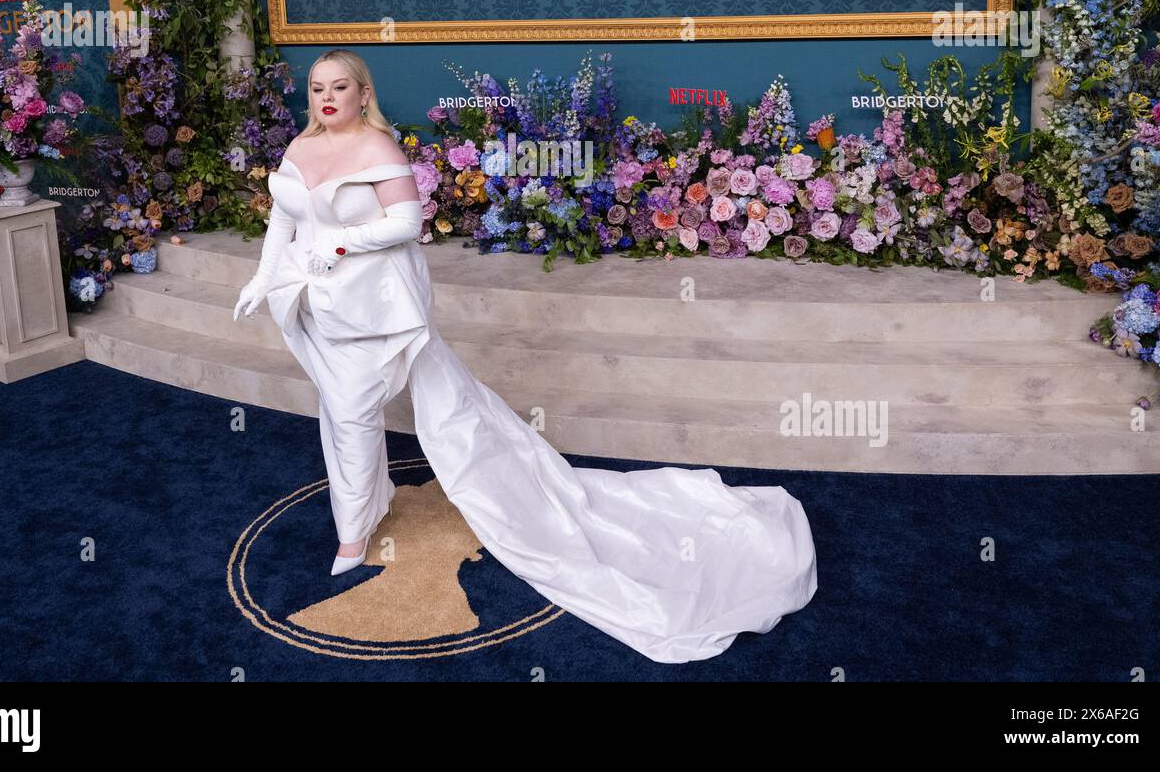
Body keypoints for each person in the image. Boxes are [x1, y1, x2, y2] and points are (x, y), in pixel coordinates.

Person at [233, 48, 817, 664]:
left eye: (340, 87)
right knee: (350, 405)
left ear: (362, 92)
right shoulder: (298, 151)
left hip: (376, 306)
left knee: (352, 409)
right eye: (318, 87)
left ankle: (352, 533)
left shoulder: (379, 149)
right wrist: (261, 279)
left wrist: (343, 246)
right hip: (311, 303)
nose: (328, 98)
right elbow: (282, 222)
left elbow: (405, 222)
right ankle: (367, 507)